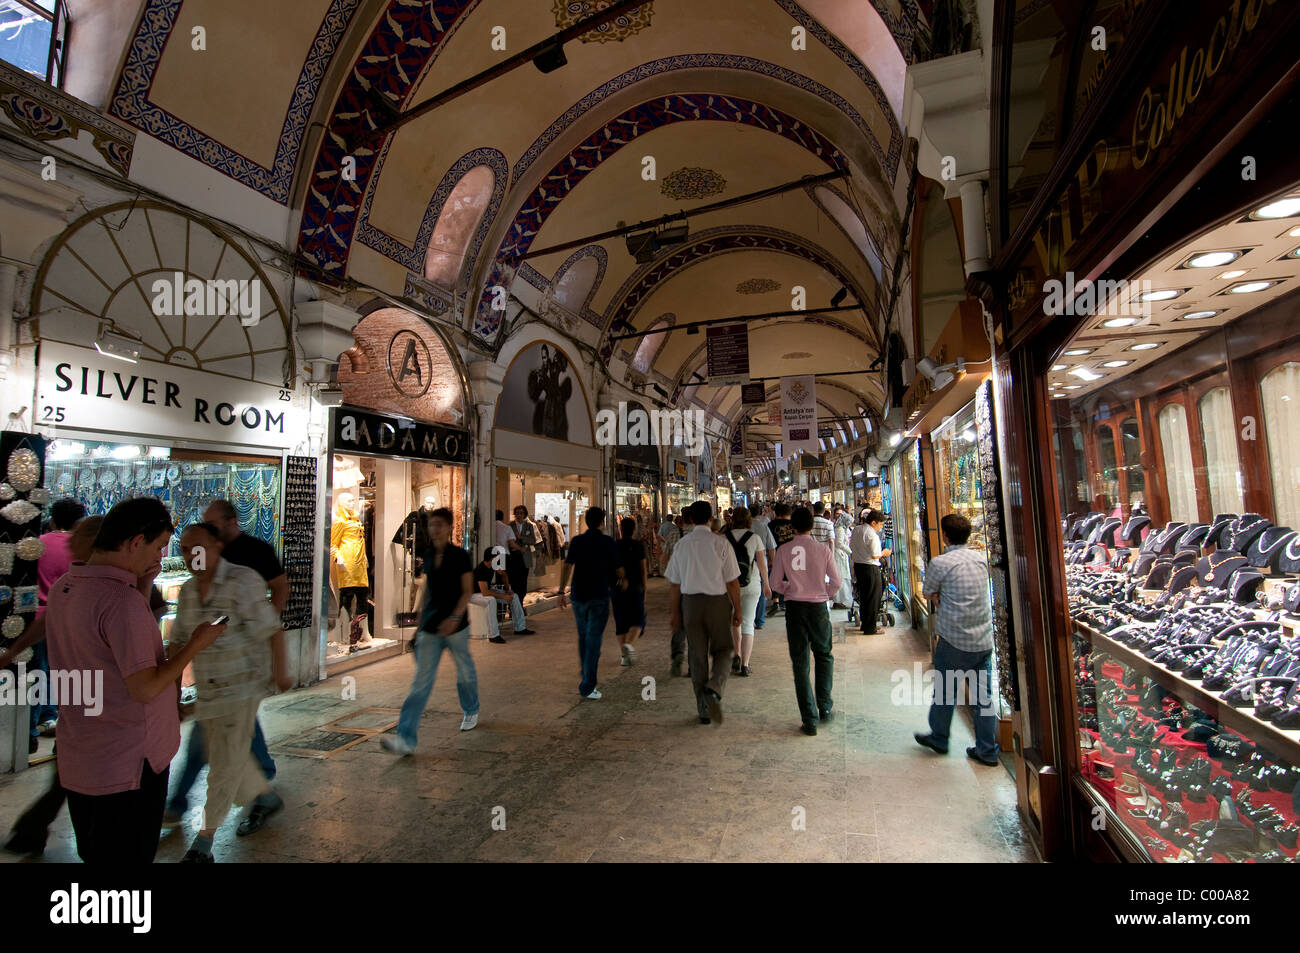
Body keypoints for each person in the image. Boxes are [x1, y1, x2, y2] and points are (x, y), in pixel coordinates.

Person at [45, 498, 225, 863]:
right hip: (127, 763)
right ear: (135, 542)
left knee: (96, 852)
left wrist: (142, 585)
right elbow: (144, 687)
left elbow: (107, 651)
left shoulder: (67, 587)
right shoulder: (119, 601)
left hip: (81, 753)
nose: (160, 557)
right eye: (159, 547)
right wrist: (196, 644)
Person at [169, 522, 286, 862]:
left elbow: (272, 629)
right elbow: (179, 642)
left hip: (242, 689)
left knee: (223, 765)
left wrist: (282, 671)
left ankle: (204, 842)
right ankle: (264, 795)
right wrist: (174, 694)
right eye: (185, 550)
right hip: (208, 692)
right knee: (217, 753)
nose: (192, 556)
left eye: (198, 547)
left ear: (217, 547)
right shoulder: (191, 591)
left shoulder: (242, 581)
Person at [382, 508, 479, 754]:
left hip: (457, 628)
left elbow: (467, 590)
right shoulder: (426, 554)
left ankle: (471, 708)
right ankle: (405, 738)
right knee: (420, 684)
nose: (434, 529)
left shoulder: (460, 556)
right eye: (432, 525)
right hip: (431, 627)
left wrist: (455, 617)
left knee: (465, 673)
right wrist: (418, 623)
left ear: (448, 528)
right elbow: (428, 590)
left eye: (439, 525)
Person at [914, 514, 1000, 766]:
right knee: (983, 698)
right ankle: (987, 749)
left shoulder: (941, 563)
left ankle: (940, 737)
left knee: (945, 691)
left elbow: (928, 591)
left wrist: (942, 596)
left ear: (944, 535)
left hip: (954, 638)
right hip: (983, 639)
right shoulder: (981, 560)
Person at [665, 501, 741, 724]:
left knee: (697, 657)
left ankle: (704, 710)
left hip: (690, 604)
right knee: (724, 649)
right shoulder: (721, 544)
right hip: (717, 603)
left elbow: (675, 585)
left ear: (690, 519)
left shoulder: (682, 545)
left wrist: (675, 614)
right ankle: (715, 686)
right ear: (711, 518)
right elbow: (733, 583)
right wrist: (738, 609)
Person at [769, 506, 841, 735]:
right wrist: (824, 592)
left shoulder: (784, 550)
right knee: (824, 655)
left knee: (800, 663)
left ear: (792, 526)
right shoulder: (822, 550)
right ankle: (825, 706)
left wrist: (789, 588)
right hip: (818, 608)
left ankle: (809, 719)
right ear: (812, 525)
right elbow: (837, 582)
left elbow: (774, 583)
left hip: (795, 609)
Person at [29, 497, 86, 745]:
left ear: (52, 519)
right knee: (61, 671)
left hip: (37, 618)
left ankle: (31, 729)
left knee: (36, 671)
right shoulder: (80, 550)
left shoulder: (38, 544)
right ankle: (51, 717)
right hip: (69, 620)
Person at [558, 507, 625, 699]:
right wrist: (623, 580)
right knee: (594, 639)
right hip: (599, 596)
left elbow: (567, 565)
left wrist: (562, 591)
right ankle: (588, 684)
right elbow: (619, 568)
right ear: (602, 522)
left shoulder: (578, 541)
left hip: (579, 595)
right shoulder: (607, 541)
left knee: (583, 636)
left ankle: (585, 671)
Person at [725, 508, 770, 677]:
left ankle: (736, 654)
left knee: (734, 619)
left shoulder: (724, 539)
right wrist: (767, 584)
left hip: (729, 585)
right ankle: (745, 664)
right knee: (748, 622)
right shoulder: (755, 539)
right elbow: (762, 564)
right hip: (751, 585)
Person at [471, 547, 534, 643]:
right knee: (490, 600)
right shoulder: (481, 569)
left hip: (485, 591)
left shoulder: (493, 566)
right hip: (473, 594)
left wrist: (508, 590)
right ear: (492, 558)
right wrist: (503, 596)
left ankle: (520, 628)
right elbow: (485, 592)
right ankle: (493, 635)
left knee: (514, 597)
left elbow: (504, 575)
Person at [613, 517, 648, 666]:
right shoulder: (639, 546)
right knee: (638, 620)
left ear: (620, 529)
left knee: (621, 621)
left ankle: (624, 655)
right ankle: (628, 645)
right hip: (635, 587)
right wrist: (645, 587)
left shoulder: (614, 546)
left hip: (617, 588)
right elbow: (643, 569)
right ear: (634, 530)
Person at [851, 510, 891, 635]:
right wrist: (884, 553)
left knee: (864, 597)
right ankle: (870, 627)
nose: (880, 528)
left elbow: (851, 546)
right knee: (873, 598)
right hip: (870, 568)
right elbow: (875, 555)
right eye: (880, 525)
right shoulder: (872, 535)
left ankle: (866, 623)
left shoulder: (857, 529)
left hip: (859, 566)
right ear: (873, 522)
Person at [748, 504, 775, 631]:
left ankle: (748, 618)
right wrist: (772, 562)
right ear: (760, 513)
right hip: (761, 561)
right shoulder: (764, 527)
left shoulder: (744, 527)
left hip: (745, 562)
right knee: (762, 591)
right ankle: (759, 620)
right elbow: (771, 547)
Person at [767, 503, 794, 616]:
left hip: (776, 554)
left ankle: (776, 603)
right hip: (792, 555)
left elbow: (768, 542)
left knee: (775, 578)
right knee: (790, 579)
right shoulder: (793, 524)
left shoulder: (770, 525)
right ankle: (789, 603)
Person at [507, 505, 540, 599]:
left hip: (525, 557)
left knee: (523, 581)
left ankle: (521, 600)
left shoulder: (530, 526)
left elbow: (533, 540)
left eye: (521, 513)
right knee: (513, 580)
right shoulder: (510, 525)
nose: (519, 515)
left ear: (524, 514)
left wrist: (521, 538)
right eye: (517, 513)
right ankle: (514, 601)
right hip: (513, 556)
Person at [832, 506, 855, 608]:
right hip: (839, 555)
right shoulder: (840, 529)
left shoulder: (841, 528)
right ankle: (839, 600)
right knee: (841, 577)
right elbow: (839, 543)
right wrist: (850, 552)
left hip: (841, 555)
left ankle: (841, 600)